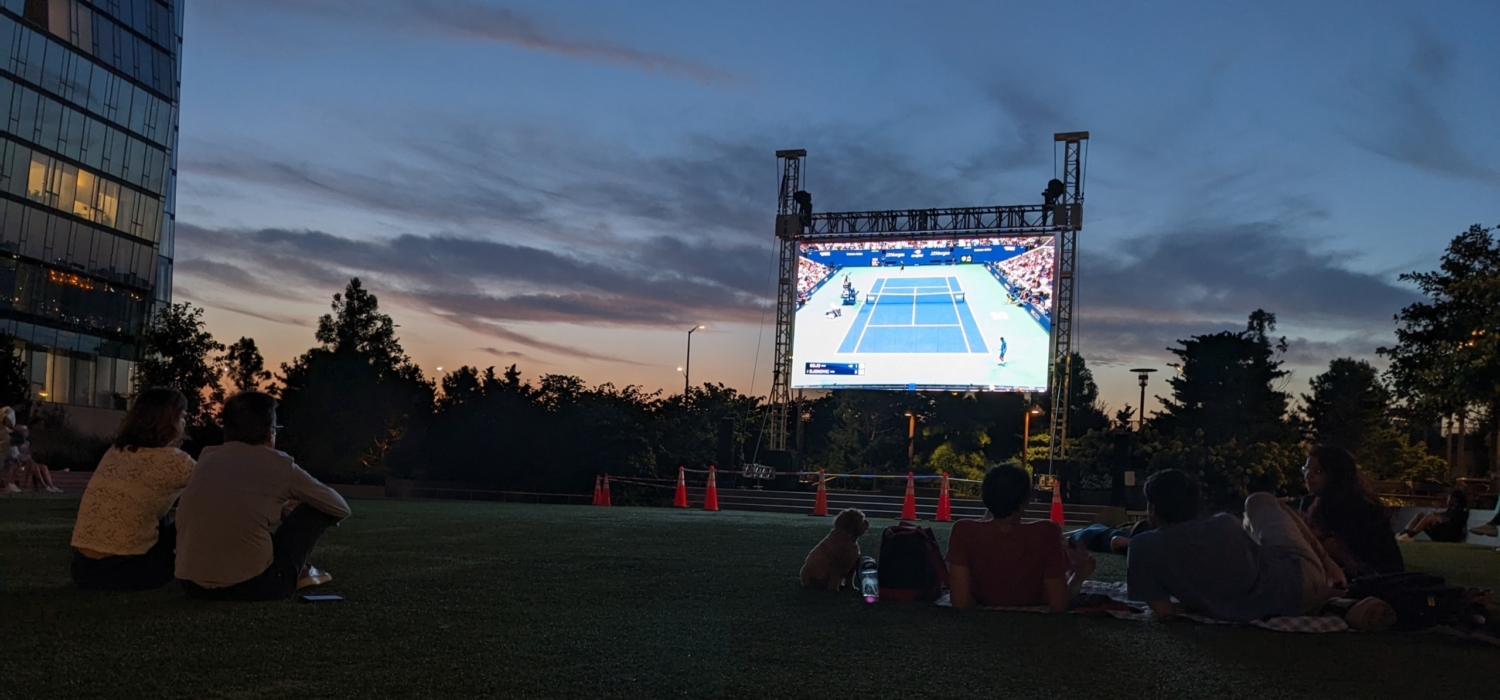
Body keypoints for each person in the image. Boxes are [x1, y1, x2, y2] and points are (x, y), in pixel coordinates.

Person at [176, 391, 350, 601]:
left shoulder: (207, 458)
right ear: (269, 433)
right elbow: (339, 507)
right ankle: (297, 569)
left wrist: (280, 507)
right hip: (253, 586)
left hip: (191, 586)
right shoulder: (278, 464)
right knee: (314, 511)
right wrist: (294, 510)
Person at [1127, 469, 1348, 622]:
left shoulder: (1141, 547)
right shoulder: (1225, 524)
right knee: (1259, 500)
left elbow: (1164, 612)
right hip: (1303, 585)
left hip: (1289, 603)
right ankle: (1329, 565)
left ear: (1152, 508)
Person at [70, 387, 196, 591]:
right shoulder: (174, 461)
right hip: (128, 572)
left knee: (159, 518)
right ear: (169, 421)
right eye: (182, 417)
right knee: (193, 519)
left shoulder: (116, 451)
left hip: (83, 570)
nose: (184, 423)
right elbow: (215, 487)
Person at [947, 464, 1095, 611]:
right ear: (1025, 501)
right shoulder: (1046, 533)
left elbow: (960, 602)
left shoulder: (964, 531)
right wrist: (1079, 576)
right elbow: (1059, 603)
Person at [1299, 445, 1403, 577]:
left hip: (1365, 579)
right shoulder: (1309, 503)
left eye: (1318, 471)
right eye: (1306, 469)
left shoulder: (1358, 510)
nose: (1308, 476)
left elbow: (1387, 565)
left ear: (1335, 474)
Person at [1398, 490, 1468, 543]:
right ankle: (1404, 533)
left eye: (1449, 497)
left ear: (1454, 499)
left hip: (1449, 536)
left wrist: (1436, 516)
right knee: (1421, 515)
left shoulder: (1460, 510)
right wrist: (1437, 513)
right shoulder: (1451, 508)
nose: (1447, 499)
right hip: (1444, 531)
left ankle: (1410, 536)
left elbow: (1449, 522)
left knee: (1429, 518)